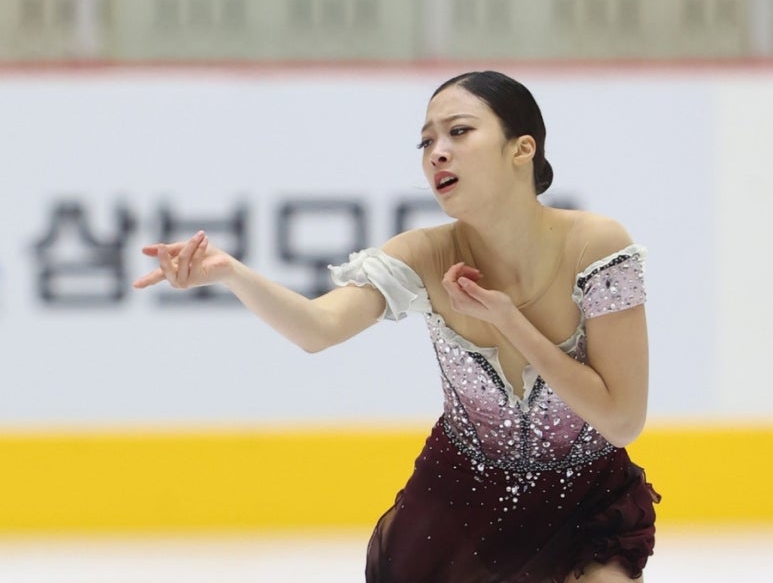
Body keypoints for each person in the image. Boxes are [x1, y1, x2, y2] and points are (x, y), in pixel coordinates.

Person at [133, 70, 660, 583]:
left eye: (459, 131)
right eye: (426, 140)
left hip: (586, 506)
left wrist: (508, 321)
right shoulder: (426, 254)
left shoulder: (596, 246)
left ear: (522, 149)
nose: (437, 152)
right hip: (458, 516)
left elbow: (621, 422)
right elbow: (319, 328)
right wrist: (231, 273)